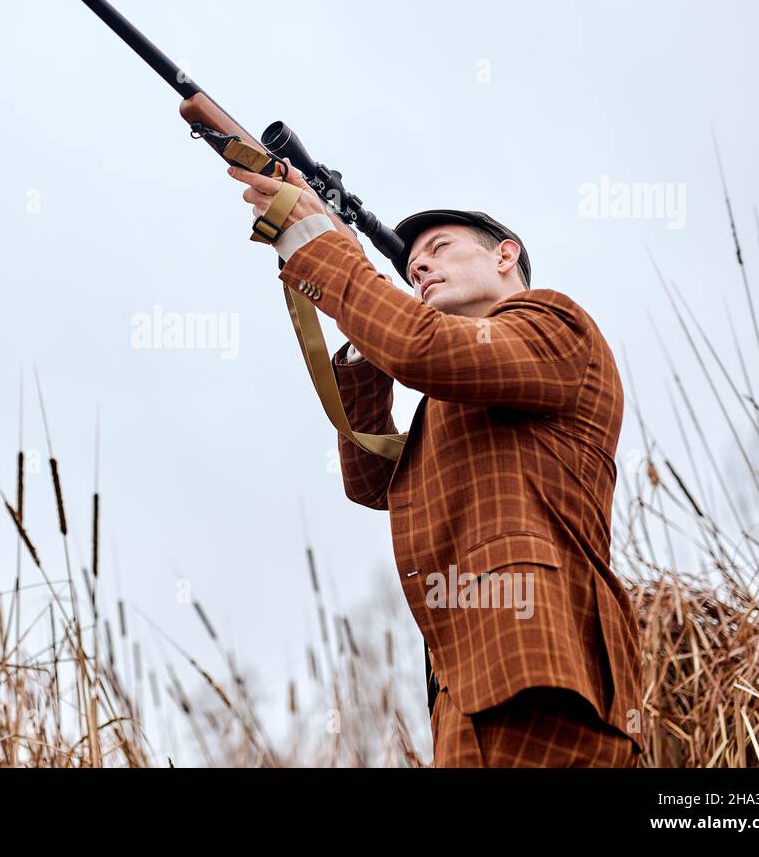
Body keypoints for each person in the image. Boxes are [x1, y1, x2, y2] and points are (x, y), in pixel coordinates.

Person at [226, 159, 645, 767]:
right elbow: (369, 479)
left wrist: (325, 248)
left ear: (506, 255)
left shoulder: (555, 326)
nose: (419, 265)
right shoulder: (453, 391)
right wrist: (364, 328)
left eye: (439, 248)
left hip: (547, 665)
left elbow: (420, 348)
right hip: (464, 695)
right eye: (412, 261)